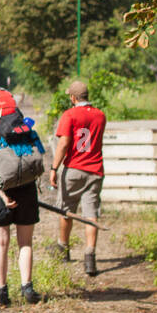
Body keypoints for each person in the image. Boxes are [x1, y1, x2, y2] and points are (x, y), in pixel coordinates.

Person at [0, 124, 41, 306]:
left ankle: (2, 290)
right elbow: (38, 151)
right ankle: (27, 287)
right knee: (25, 242)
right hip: (26, 188)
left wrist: (3, 196)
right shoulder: (23, 127)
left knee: (1, 243)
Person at [49, 79, 106, 275]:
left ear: (73, 98)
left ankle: (63, 249)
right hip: (95, 170)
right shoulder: (100, 116)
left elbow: (64, 144)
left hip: (74, 169)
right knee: (91, 213)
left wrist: (54, 168)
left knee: (66, 210)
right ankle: (90, 256)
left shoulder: (69, 115)